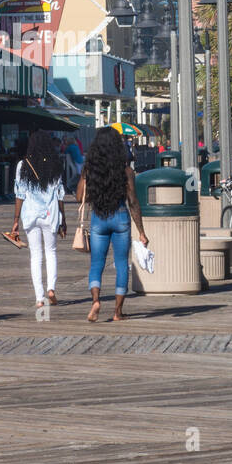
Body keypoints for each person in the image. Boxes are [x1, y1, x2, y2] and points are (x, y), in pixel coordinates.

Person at [76, 126, 148, 324]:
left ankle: (96, 301)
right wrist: (141, 231)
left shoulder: (90, 170)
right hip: (120, 218)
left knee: (96, 264)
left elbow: (79, 196)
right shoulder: (126, 172)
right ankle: (117, 311)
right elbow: (133, 202)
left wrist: (86, 176)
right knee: (122, 265)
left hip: (99, 219)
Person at [9, 131, 66, 309]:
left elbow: (20, 194)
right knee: (51, 251)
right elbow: (59, 194)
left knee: (35, 255)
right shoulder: (56, 164)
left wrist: (16, 220)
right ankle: (51, 289)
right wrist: (63, 220)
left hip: (30, 215)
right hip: (50, 214)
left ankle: (39, 298)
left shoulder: (22, 165)